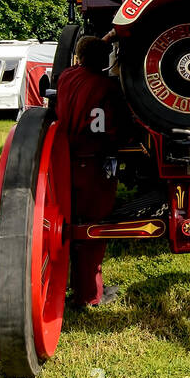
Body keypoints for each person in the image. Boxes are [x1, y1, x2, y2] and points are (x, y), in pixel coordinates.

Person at [55, 36, 124, 308]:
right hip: (96, 162)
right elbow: (117, 129)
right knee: (94, 229)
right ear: (103, 59)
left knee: (73, 225)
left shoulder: (67, 78)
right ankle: (90, 295)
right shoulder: (107, 87)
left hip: (65, 160)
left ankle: (74, 284)